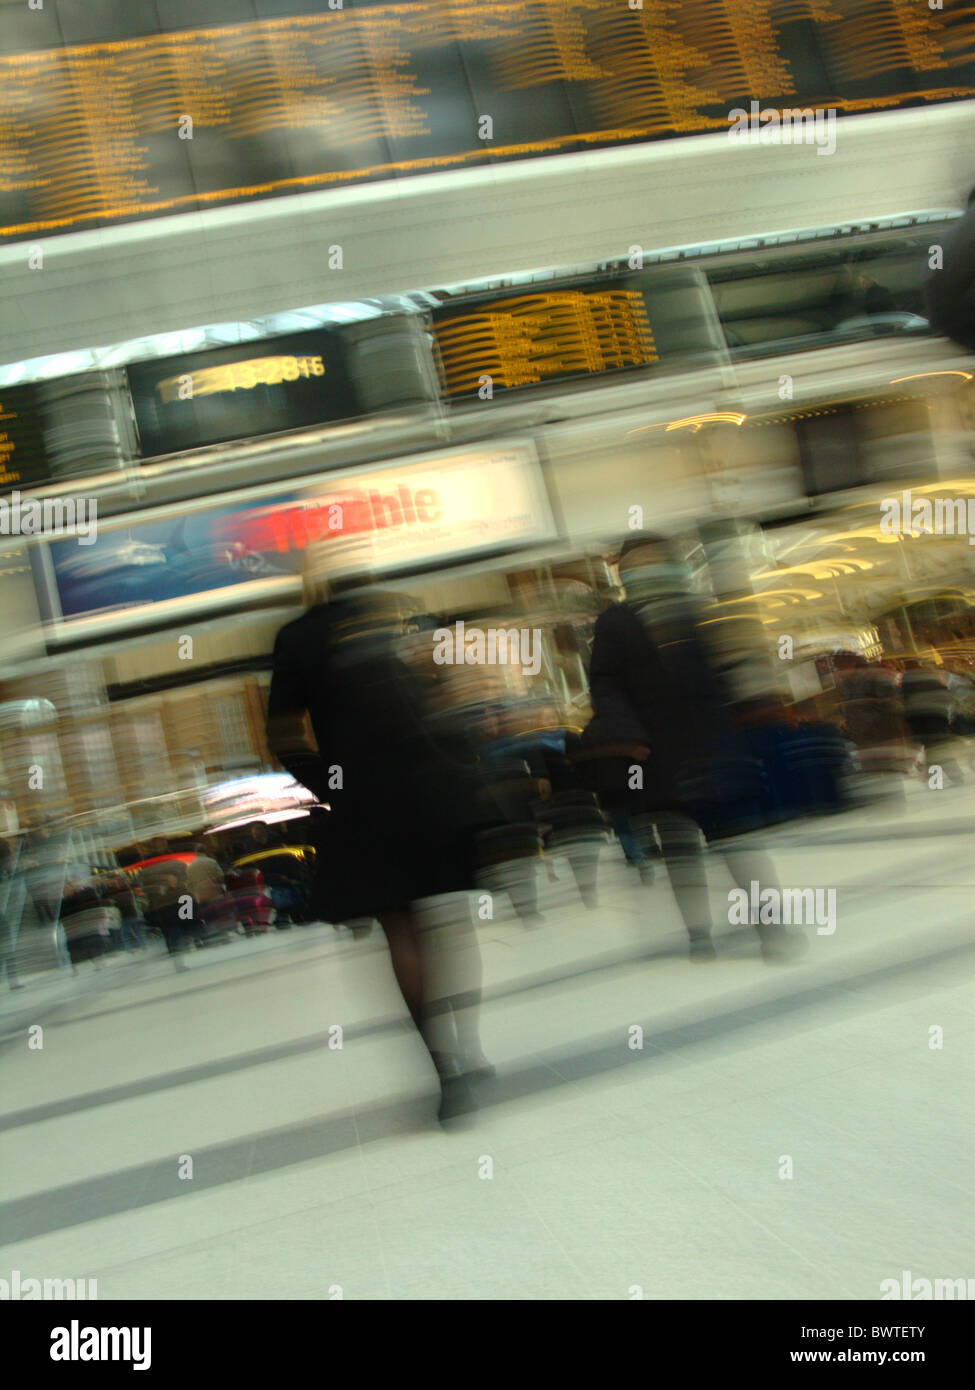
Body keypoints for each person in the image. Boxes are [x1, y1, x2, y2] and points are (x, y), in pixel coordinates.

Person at [266, 539, 492, 1124]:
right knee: (449, 925)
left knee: (403, 932)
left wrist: (329, 784)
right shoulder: (406, 610)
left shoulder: (297, 637)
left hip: (363, 800)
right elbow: (450, 696)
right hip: (431, 788)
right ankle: (466, 1046)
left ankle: (443, 1066)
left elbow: (285, 736)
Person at [580, 533, 805, 963]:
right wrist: (628, 735)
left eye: (654, 557)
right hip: (656, 753)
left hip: (715, 746)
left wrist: (756, 710)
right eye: (637, 561)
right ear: (625, 571)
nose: (647, 566)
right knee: (681, 854)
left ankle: (772, 925)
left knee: (738, 846)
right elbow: (605, 686)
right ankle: (698, 933)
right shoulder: (616, 622)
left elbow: (735, 668)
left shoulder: (701, 609)